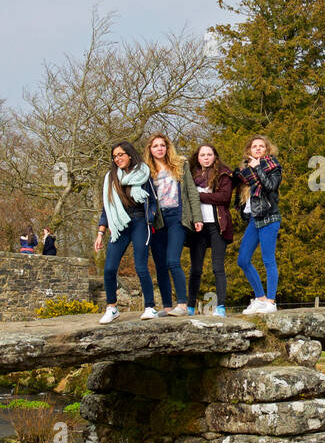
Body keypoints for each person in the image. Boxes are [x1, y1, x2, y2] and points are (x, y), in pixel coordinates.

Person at [94, 141, 159, 323]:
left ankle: (150, 307)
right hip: (119, 225)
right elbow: (107, 207)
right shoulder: (111, 178)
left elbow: (153, 201)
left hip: (140, 221)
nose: (118, 159)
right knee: (109, 268)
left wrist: (150, 217)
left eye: (121, 154)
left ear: (130, 155)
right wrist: (100, 232)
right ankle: (112, 308)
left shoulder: (143, 173)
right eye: (115, 156)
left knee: (140, 266)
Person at [145, 132, 203, 316]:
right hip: (157, 219)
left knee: (172, 260)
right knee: (160, 264)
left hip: (177, 216)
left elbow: (192, 193)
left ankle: (183, 305)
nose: (159, 149)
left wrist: (197, 217)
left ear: (167, 147)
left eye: (162, 145)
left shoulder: (180, 164)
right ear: (150, 149)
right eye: (155, 146)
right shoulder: (145, 170)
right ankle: (168, 307)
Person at [234, 135, 282, 314]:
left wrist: (257, 168)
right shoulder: (244, 171)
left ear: (267, 149)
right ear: (249, 150)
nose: (258, 148)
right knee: (243, 260)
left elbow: (270, 186)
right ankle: (260, 298)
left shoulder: (273, 167)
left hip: (269, 217)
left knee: (268, 259)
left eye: (261, 146)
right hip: (254, 219)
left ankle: (271, 301)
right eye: (254, 146)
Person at [187, 142, 234, 316]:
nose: (206, 158)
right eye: (202, 155)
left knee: (218, 267)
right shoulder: (191, 176)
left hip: (218, 225)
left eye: (209, 154)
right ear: (197, 158)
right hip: (197, 226)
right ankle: (190, 306)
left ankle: (221, 306)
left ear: (215, 156)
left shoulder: (224, 173)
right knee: (196, 269)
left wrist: (198, 196)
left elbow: (224, 197)